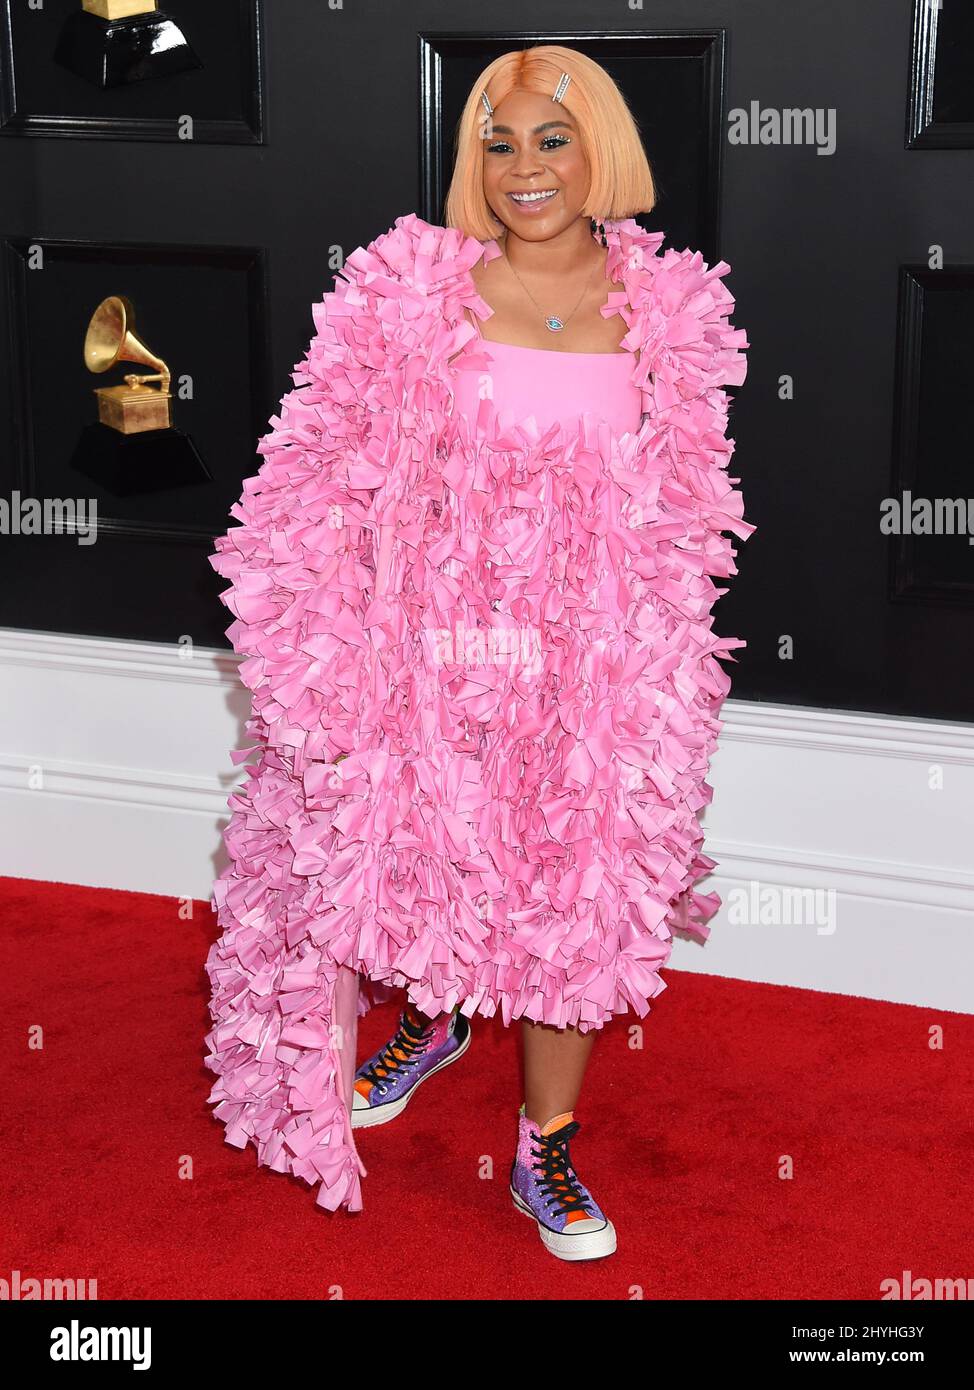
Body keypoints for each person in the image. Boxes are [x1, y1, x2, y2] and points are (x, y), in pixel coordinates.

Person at [204, 43, 752, 1264]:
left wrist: (658, 678)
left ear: (598, 148)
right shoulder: (406, 289)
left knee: (575, 898)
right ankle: (436, 1013)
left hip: (597, 668)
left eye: (549, 139)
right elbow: (310, 478)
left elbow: (688, 510)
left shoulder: (669, 308)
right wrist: (322, 654)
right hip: (432, 652)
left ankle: (542, 1141)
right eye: (494, 143)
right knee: (434, 856)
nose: (522, 168)